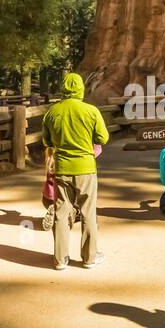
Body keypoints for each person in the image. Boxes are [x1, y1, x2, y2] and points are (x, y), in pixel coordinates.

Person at [40, 72, 109, 270]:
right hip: (86, 168)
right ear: (80, 88)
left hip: (62, 168)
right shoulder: (91, 111)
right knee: (88, 212)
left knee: (61, 213)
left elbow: (47, 141)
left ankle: (60, 259)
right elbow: (103, 138)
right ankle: (89, 257)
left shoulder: (52, 112)